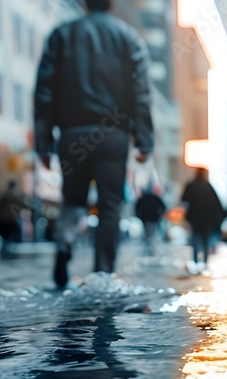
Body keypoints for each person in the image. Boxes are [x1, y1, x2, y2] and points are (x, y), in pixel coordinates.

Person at [35, 0, 154, 288]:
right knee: (110, 207)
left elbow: (45, 90)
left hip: (73, 133)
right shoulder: (128, 37)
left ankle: (64, 248)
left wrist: (43, 142)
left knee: (72, 202)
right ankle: (103, 272)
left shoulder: (61, 34)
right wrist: (144, 139)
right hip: (112, 134)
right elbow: (140, 91)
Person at [181, 169, 225, 266]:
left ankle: (195, 260)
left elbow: (184, 200)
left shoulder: (191, 185)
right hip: (207, 219)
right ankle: (205, 261)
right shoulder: (208, 187)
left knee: (195, 239)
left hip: (194, 218)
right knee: (205, 240)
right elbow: (217, 204)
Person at [0, 181, 29, 250]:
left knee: (3, 236)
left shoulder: (5, 194)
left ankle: (4, 250)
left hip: (3, 219)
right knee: (16, 237)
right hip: (13, 219)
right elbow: (25, 205)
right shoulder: (18, 195)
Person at [135, 186, 166, 251]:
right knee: (152, 234)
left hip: (147, 219)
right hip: (153, 219)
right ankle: (150, 248)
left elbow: (137, 208)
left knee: (149, 234)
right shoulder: (155, 198)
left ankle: (150, 248)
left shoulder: (143, 199)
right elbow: (163, 207)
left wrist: (140, 217)